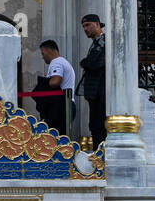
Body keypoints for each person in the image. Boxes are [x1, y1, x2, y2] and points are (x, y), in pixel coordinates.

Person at [78, 14, 106, 148]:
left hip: (101, 92)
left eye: (88, 25)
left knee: (99, 126)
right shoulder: (95, 43)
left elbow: (96, 63)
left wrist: (84, 62)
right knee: (94, 126)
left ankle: (101, 159)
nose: (85, 29)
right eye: (83, 26)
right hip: (94, 93)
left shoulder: (104, 41)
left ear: (97, 24)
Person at [36, 39, 76, 135]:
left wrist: (42, 87)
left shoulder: (56, 62)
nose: (42, 57)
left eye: (43, 53)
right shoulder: (64, 62)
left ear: (49, 51)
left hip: (61, 107)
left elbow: (55, 81)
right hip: (66, 105)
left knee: (54, 138)